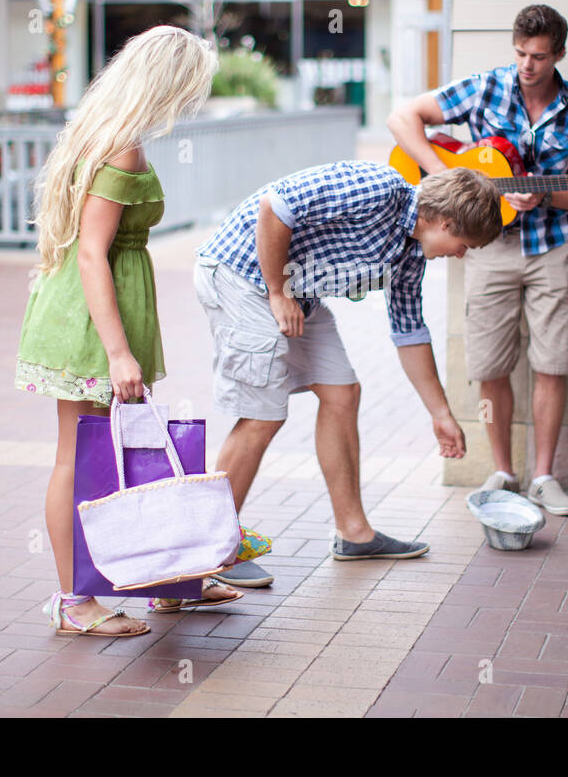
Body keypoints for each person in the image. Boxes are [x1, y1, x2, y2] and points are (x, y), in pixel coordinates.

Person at [14, 25, 241, 637]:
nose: (190, 101)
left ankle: (163, 580)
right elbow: (93, 253)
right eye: (188, 87)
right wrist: (118, 352)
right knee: (78, 457)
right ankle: (76, 603)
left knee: (108, 450)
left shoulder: (101, 132)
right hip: (93, 320)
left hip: (89, 310)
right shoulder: (122, 148)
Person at [194, 161, 503, 571]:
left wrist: (441, 414)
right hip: (243, 276)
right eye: (465, 245)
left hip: (294, 289)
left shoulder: (411, 255)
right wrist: (277, 291)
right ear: (446, 223)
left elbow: (410, 331)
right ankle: (209, 551)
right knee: (262, 416)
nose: (461, 255)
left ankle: (355, 534)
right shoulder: (380, 188)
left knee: (342, 391)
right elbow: (276, 205)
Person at [387, 4, 568, 516]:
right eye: (521, 54)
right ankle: (504, 471)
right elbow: (403, 119)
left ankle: (545, 476)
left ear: (560, 54)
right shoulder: (486, 88)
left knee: (553, 362)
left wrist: (546, 196)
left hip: (551, 245)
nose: (528, 65)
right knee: (490, 364)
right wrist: (448, 178)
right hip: (487, 248)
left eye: (540, 56)